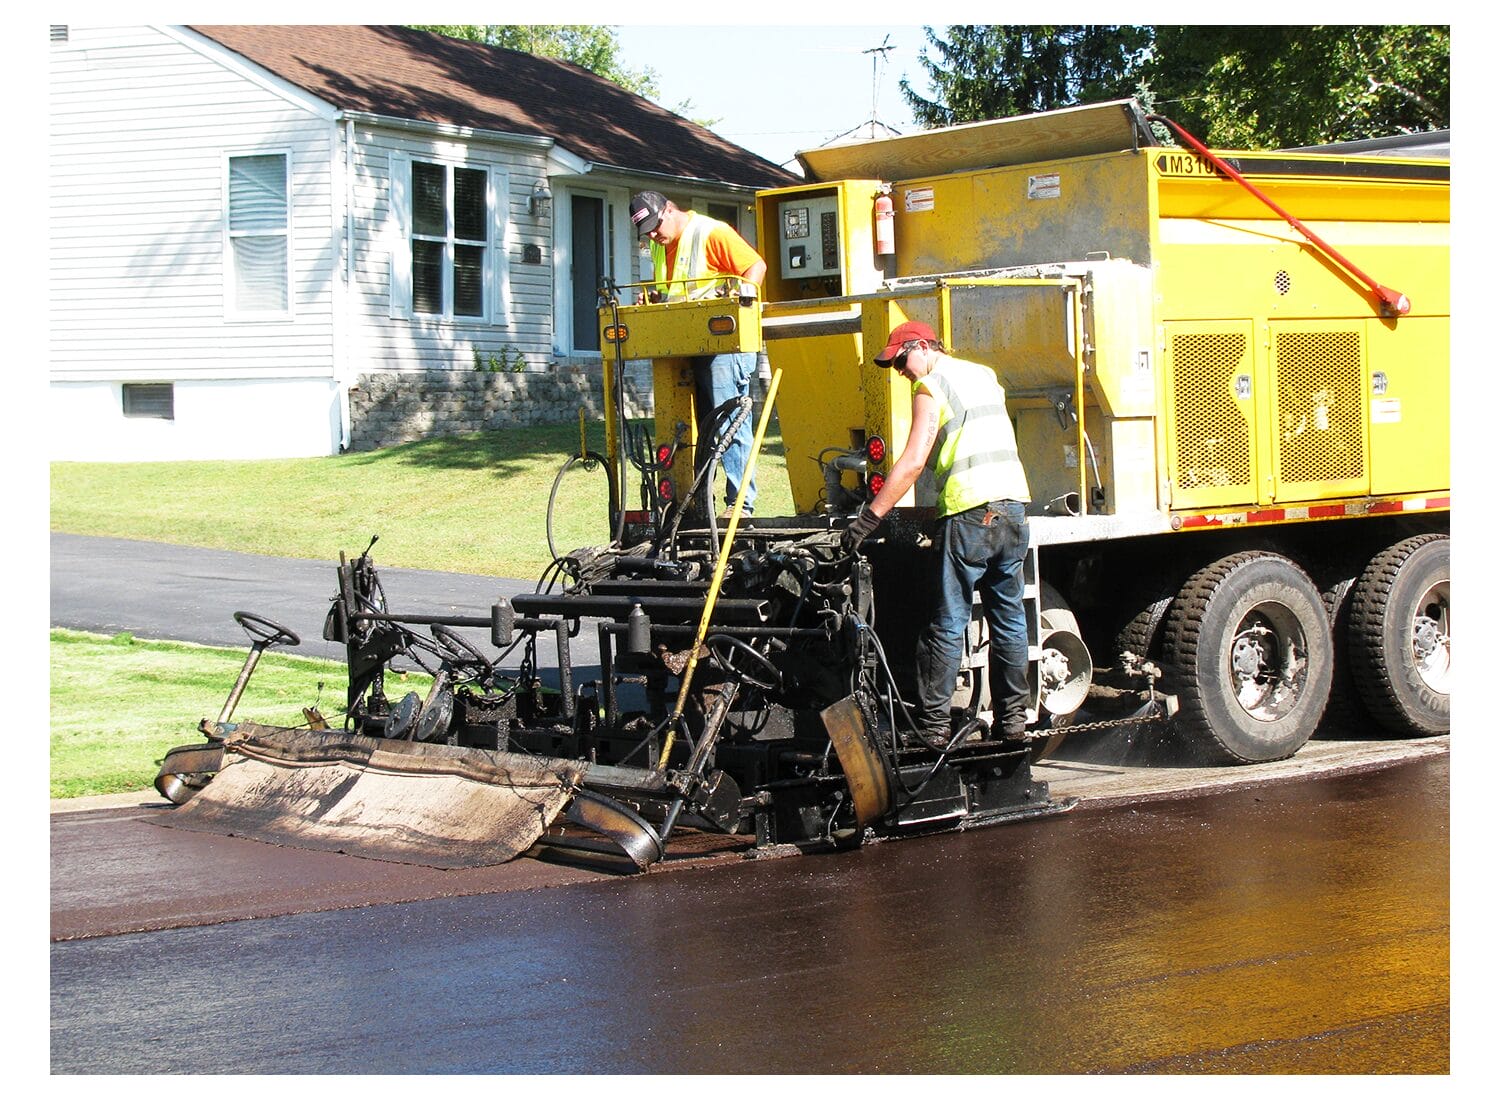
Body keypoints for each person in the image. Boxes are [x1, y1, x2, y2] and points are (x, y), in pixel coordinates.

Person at [841, 320, 1033, 741]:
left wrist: (868, 519)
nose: (901, 372)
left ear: (924, 347)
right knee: (1009, 619)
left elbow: (912, 461)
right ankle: (1013, 723)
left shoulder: (931, 385)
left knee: (947, 621)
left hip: (970, 512)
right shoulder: (984, 376)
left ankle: (933, 729)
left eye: (902, 361)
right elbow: (962, 440)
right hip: (1013, 508)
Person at [631, 191, 767, 516]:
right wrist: (653, 298)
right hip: (686, 342)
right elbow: (673, 292)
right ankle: (700, 504)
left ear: (669, 210)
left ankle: (739, 504)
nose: (653, 236)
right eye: (647, 232)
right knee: (703, 428)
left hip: (725, 344)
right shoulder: (659, 246)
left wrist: (740, 300)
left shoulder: (710, 232)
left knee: (730, 422)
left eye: (655, 226)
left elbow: (755, 266)